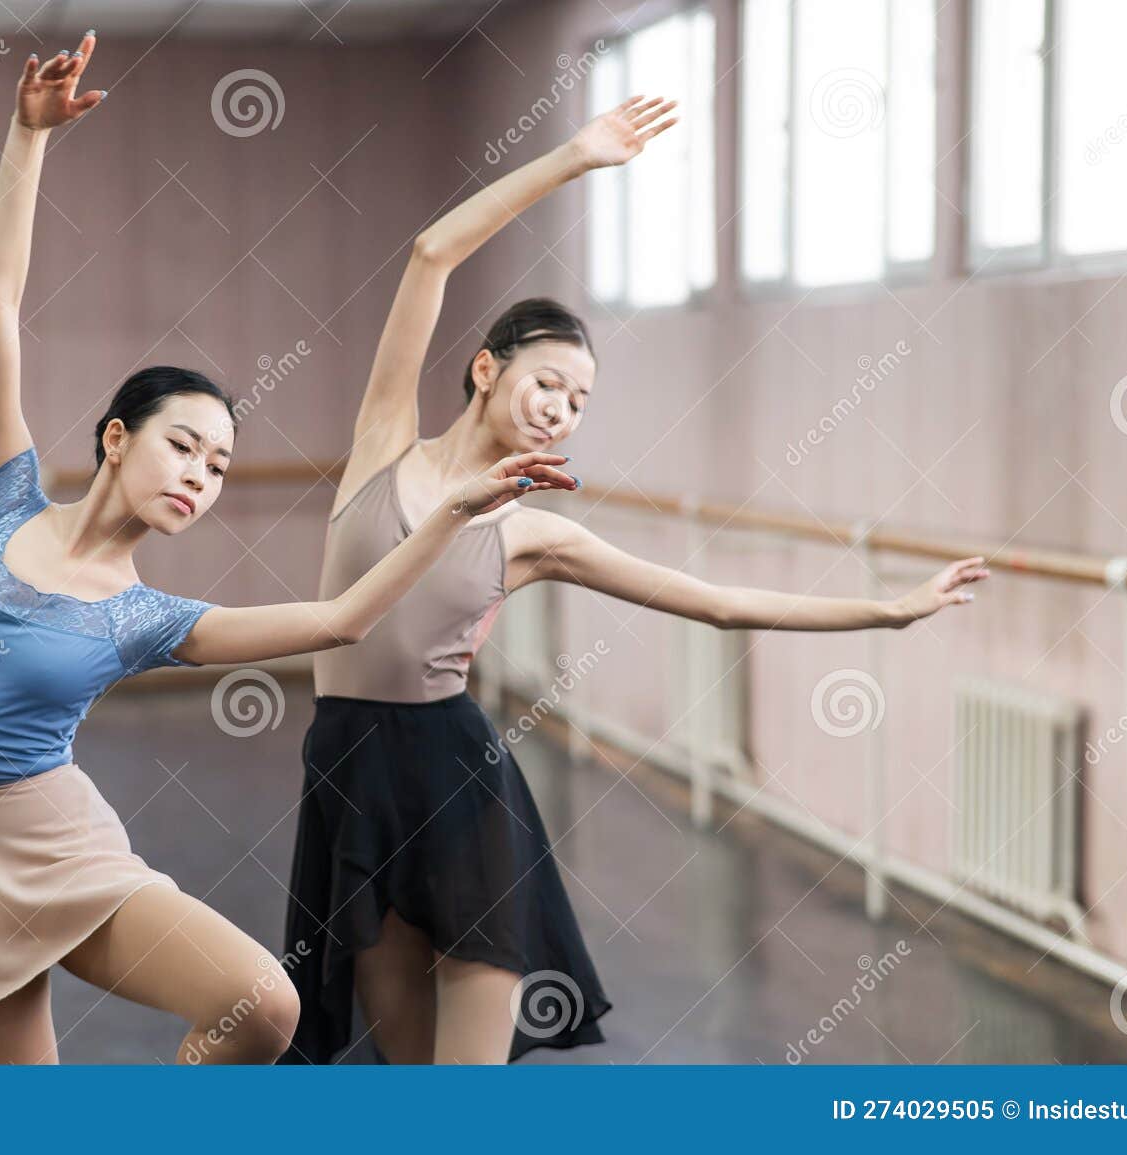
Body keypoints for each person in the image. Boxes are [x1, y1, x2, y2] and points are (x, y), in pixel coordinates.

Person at [0, 32, 577, 1066]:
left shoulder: (147, 620)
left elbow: (339, 621)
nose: (198, 477)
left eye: (216, 468)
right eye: (183, 447)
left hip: (60, 843)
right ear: (118, 438)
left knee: (261, 1005)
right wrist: (27, 140)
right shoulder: (4, 500)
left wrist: (450, 511)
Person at [284, 97, 989, 1064]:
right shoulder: (380, 448)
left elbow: (715, 600)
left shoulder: (530, 534)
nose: (561, 410)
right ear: (485, 370)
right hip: (349, 772)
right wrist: (573, 158)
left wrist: (888, 610)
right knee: (399, 1071)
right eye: (547, 383)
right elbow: (428, 256)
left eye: (580, 401)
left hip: (457, 781)